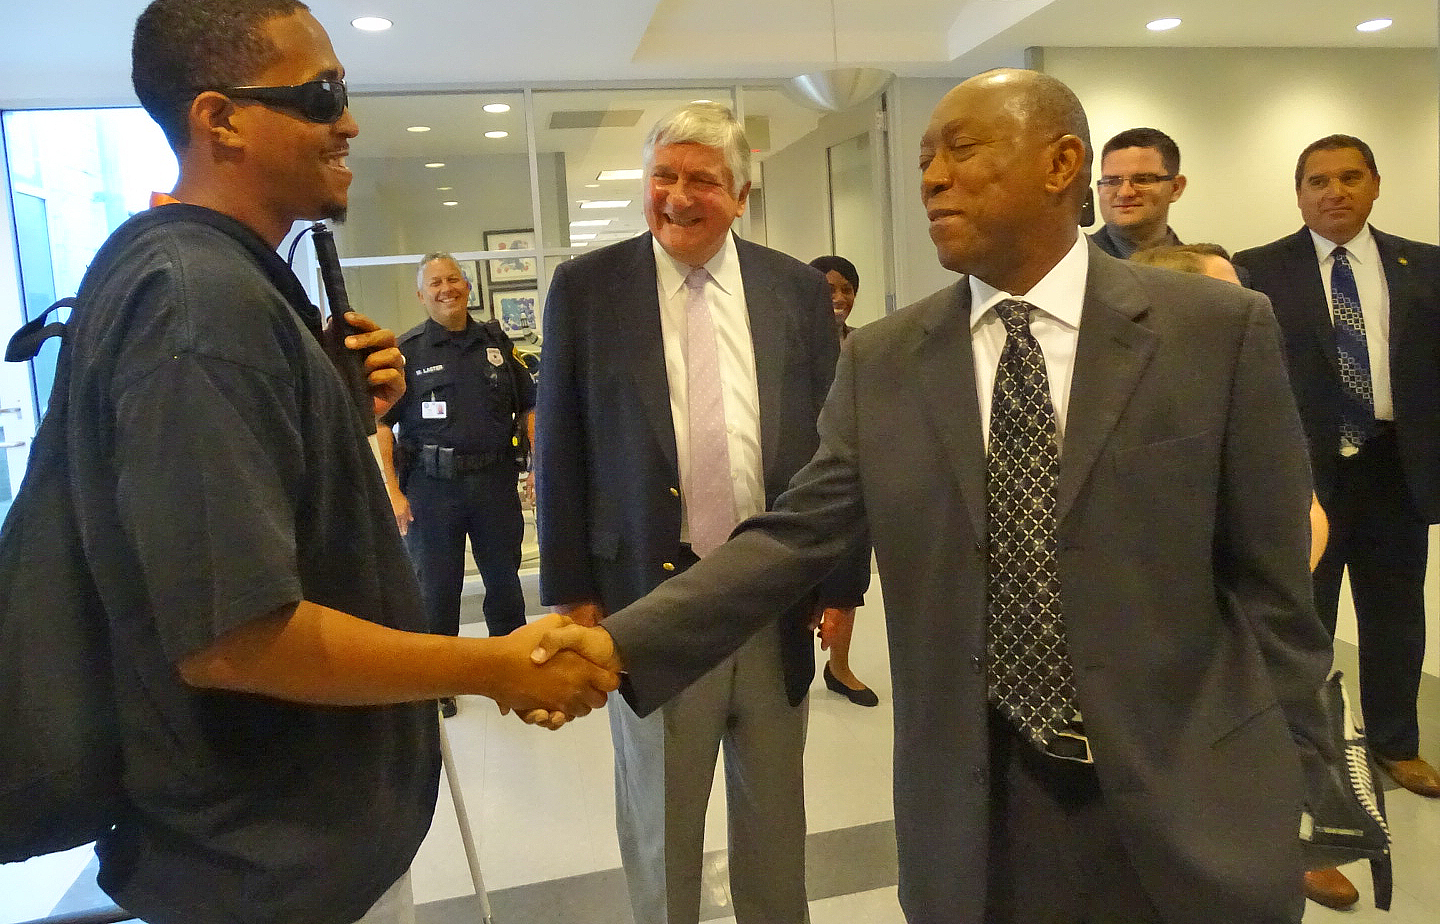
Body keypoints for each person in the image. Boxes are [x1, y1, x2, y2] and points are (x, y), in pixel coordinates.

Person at [536, 69, 1333, 924]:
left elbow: (1274, 589)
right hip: (974, 812)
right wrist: (613, 642)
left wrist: (1304, 779)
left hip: (1181, 797)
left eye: (961, 150)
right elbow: (790, 537)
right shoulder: (885, 361)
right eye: (923, 159)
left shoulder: (1213, 331)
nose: (931, 178)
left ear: (1063, 163)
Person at [75, 0, 615, 924]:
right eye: (321, 96)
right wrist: (491, 666)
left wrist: (327, 400)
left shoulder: (231, 283)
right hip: (267, 861)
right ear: (221, 119)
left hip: (301, 840)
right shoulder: (199, 306)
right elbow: (233, 637)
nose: (350, 123)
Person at [535, 103, 869, 924]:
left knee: (773, 819)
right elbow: (560, 448)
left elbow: (839, 444)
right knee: (660, 823)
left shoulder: (794, 288)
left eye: (702, 181)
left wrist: (842, 583)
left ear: (741, 194)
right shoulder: (587, 288)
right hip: (648, 601)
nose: (678, 196)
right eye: (664, 176)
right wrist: (571, 586)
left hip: (772, 595)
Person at [1135, 242, 1352, 910]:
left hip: (1252, 670)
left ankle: (1299, 837)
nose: (1250, 317)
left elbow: (1302, 524)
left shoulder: (1251, 398)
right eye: (1229, 299)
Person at [1234, 136, 1440, 803]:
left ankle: (1394, 743)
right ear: (1298, 194)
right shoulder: (1257, 270)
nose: (1335, 192)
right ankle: (1306, 755)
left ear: (1376, 184)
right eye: (1318, 181)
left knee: (1397, 616)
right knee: (1303, 622)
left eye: (1350, 177)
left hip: (1395, 468)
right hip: (1302, 475)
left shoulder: (1425, 265)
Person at [377, 252, 534, 716]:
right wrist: (392, 492)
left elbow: (529, 407)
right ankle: (438, 683)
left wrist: (539, 468)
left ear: (467, 286)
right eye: (435, 283)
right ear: (421, 295)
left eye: (453, 279)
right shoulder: (406, 352)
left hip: (493, 482)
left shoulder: (497, 344)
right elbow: (382, 425)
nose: (447, 288)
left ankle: (512, 670)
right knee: (436, 589)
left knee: (504, 581)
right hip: (431, 488)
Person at [807, 254, 877, 706]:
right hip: (800, 477)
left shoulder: (869, 345)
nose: (839, 297)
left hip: (856, 476)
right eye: (828, 288)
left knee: (849, 573)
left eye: (847, 288)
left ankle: (839, 667)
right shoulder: (785, 344)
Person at [1089, 126, 1187, 258]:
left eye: (1143, 180)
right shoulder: (1069, 264)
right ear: (1099, 189)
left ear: (1176, 188)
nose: (1125, 193)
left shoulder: (1205, 271)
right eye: (1112, 181)